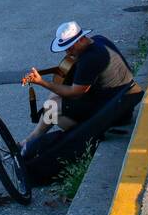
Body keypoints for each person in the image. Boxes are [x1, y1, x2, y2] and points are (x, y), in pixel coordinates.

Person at [22, 21, 140, 152]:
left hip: (113, 108)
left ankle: (89, 136)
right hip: (122, 96)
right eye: (66, 49)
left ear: (81, 39)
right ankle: (32, 138)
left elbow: (75, 92)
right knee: (54, 98)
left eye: (70, 48)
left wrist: (42, 82)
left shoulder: (90, 58)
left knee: (55, 111)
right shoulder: (98, 40)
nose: (68, 53)